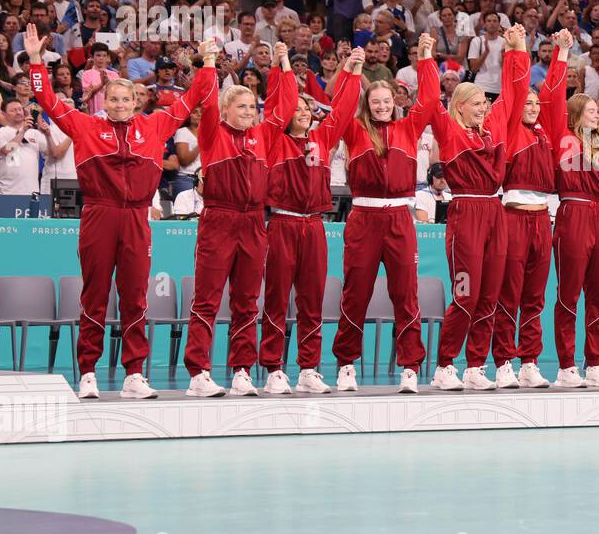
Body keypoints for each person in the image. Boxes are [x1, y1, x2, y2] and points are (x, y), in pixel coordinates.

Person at [24, 24, 217, 399]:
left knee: (135, 297)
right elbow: (47, 99)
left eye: (125, 100)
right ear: (104, 102)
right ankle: (88, 373)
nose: (119, 105)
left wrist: (208, 62)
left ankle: (134, 373)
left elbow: (193, 96)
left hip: (137, 219)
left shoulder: (156, 124)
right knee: (94, 295)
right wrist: (35, 60)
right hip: (99, 213)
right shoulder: (85, 126)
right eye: (112, 100)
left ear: (137, 101)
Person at [182, 41, 297, 397]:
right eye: (241, 106)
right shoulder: (213, 134)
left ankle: (241, 370)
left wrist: (284, 62)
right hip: (219, 219)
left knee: (247, 300)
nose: (249, 112)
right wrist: (210, 61)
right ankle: (199, 373)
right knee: (207, 299)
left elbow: (288, 104)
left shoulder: (263, 136)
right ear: (225, 109)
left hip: (253, 223)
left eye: (252, 106)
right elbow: (204, 97)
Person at [418, 24, 529, 390]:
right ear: (460, 107)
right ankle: (445, 365)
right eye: (477, 103)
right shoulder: (449, 131)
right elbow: (430, 103)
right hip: (466, 213)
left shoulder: (493, 127)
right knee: (466, 294)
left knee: (491, 297)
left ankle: (476, 366)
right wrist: (425, 61)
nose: (484, 107)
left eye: (485, 102)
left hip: (496, 212)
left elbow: (513, 96)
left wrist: (516, 50)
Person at [332, 37, 438, 393]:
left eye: (386, 101)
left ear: (396, 102)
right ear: (368, 103)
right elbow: (340, 107)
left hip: (399, 220)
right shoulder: (355, 130)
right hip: (363, 218)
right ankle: (346, 365)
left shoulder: (409, 128)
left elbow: (432, 99)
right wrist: (352, 70)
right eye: (375, 102)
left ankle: (410, 367)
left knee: (405, 294)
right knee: (355, 293)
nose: (380, 106)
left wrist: (425, 58)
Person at [257, 46, 364, 394]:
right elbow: (282, 99)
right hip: (283, 224)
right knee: (276, 298)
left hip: (315, 225)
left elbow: (345, 108)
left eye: (307, 108)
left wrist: (352, 70)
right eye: (297, 108)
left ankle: (308, 367)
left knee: (312, 299)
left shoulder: (322, 138)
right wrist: (284, 64)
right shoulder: (273, 141)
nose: (302, 112)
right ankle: (274, 367)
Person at [540, 31, 599, 387]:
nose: (597, 114)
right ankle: (567, 365)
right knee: (569, 292)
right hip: (573, 214)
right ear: (576, 114)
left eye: (597, 110)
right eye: (590, 110)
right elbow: (554, 97)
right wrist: (562, 53)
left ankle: (595, 363)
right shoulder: (562, 136)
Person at [490, 26, 561, 390]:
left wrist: (561, 57)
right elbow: (513, 92)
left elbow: (554, 99)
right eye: (528, 104)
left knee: (534, 296)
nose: (532, 107)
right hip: (513, 217)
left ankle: (530, 360)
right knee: (509, 293)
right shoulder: (509, 129)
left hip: (542, 222)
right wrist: (516, 52)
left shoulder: (546, 135)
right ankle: (503, 360)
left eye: (537, 104)